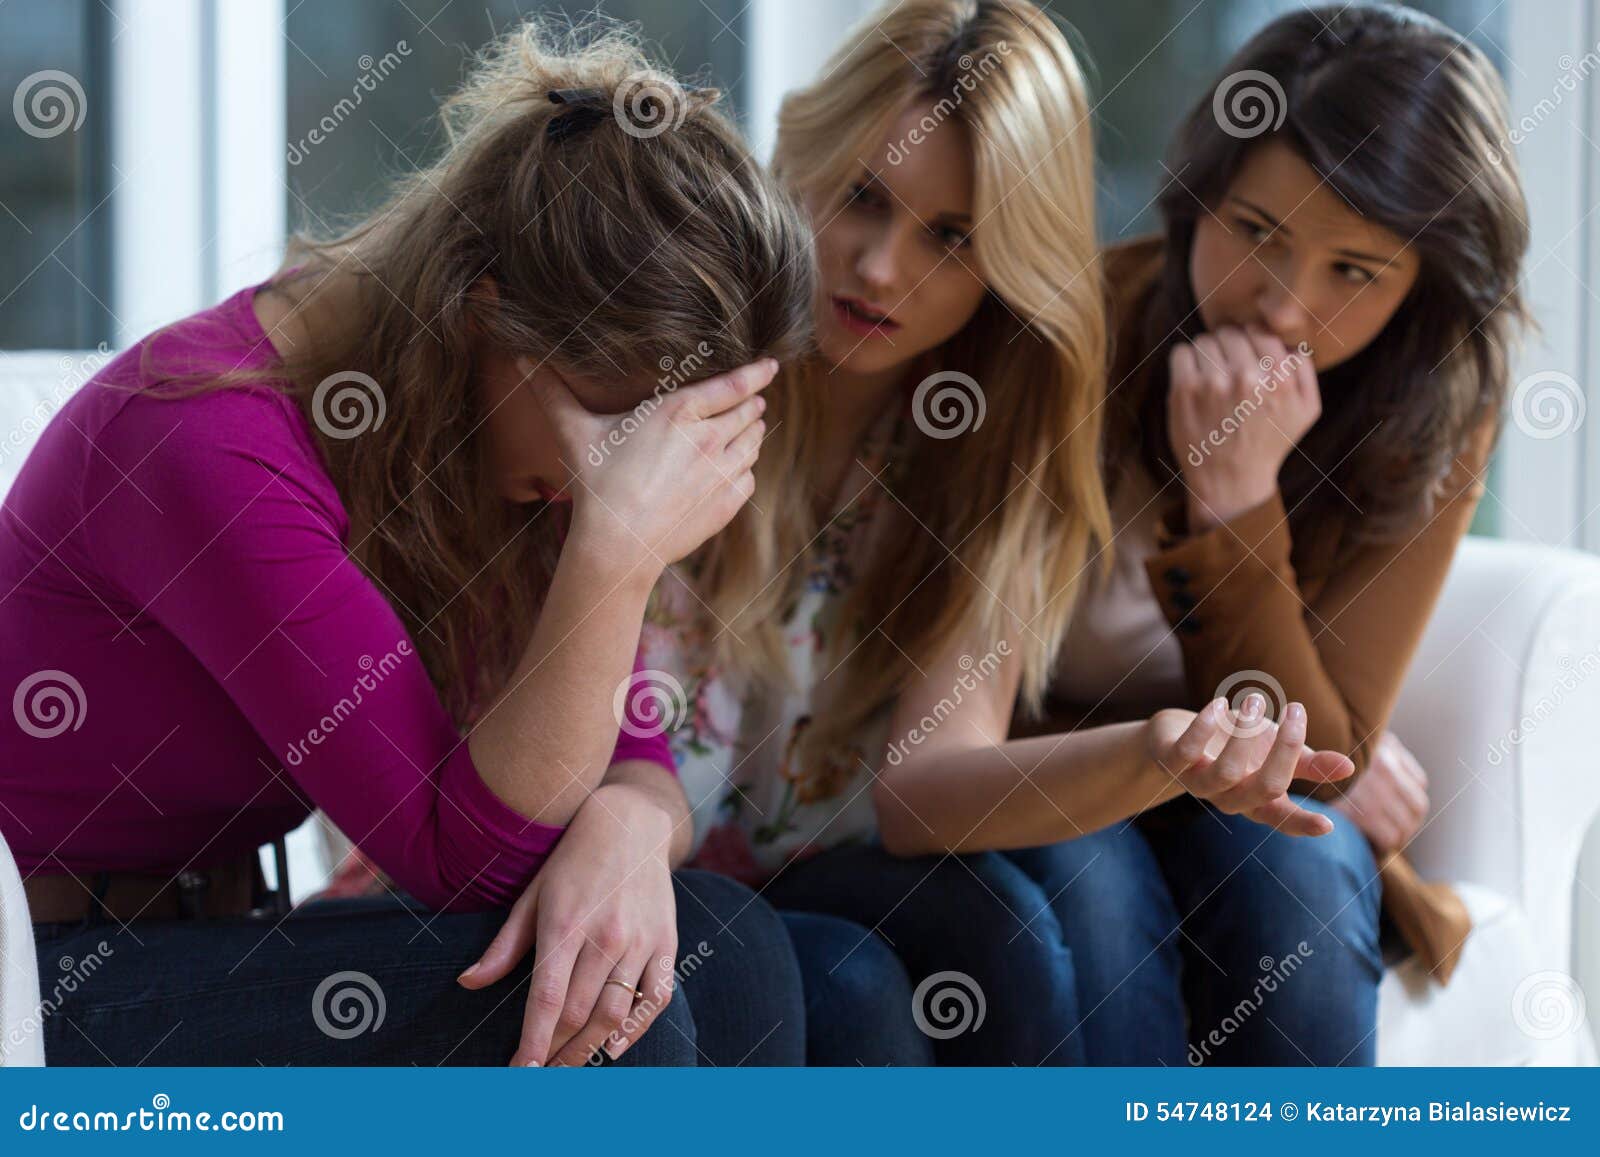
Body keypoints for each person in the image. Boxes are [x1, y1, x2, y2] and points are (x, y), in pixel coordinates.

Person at [1, 19, 906, 1067]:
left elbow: (635, 752)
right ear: (485, 311)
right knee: (602, 1016)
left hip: (204, 929)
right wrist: (616, 552)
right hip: (44, 980)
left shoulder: (464, 437)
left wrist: (628, 825)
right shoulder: (203, 440)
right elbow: (458, 857)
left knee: (729, 945)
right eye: (609, 427)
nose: (605, 483)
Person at [639, 0, 1353, 1067]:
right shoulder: (675, 359)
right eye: (863, 198)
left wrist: (1161, 748)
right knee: (860, 981)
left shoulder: (987, 447)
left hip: (823, 874)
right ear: (803, 149)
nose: (880, 267)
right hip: (634, 865)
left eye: (951, 237)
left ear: (1006, 262)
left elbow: (925, 790)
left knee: (998, 930)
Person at [1015, 3, 1529, 1065]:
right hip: (1057, 772)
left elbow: (1319, 765)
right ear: (1197, 196)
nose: (1285, 307)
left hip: (1251, 804)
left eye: (1355, 271)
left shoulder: (1438, 399)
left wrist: (1233, 501)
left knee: (1292, 856)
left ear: (1419, 285)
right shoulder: (1075, 329)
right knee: (1088, 875)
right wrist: (1285, 724)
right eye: (1256, 233)